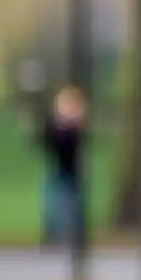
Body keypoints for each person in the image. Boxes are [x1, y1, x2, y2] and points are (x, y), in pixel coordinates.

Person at [39, 85, 88, 252]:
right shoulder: (56, 127)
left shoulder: (74, 128)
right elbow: (47, 143)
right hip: (58, 171)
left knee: (72, 207)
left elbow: (73, 145)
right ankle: (53, 237)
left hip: (72, 172)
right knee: (53, 205)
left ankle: (74, 238)